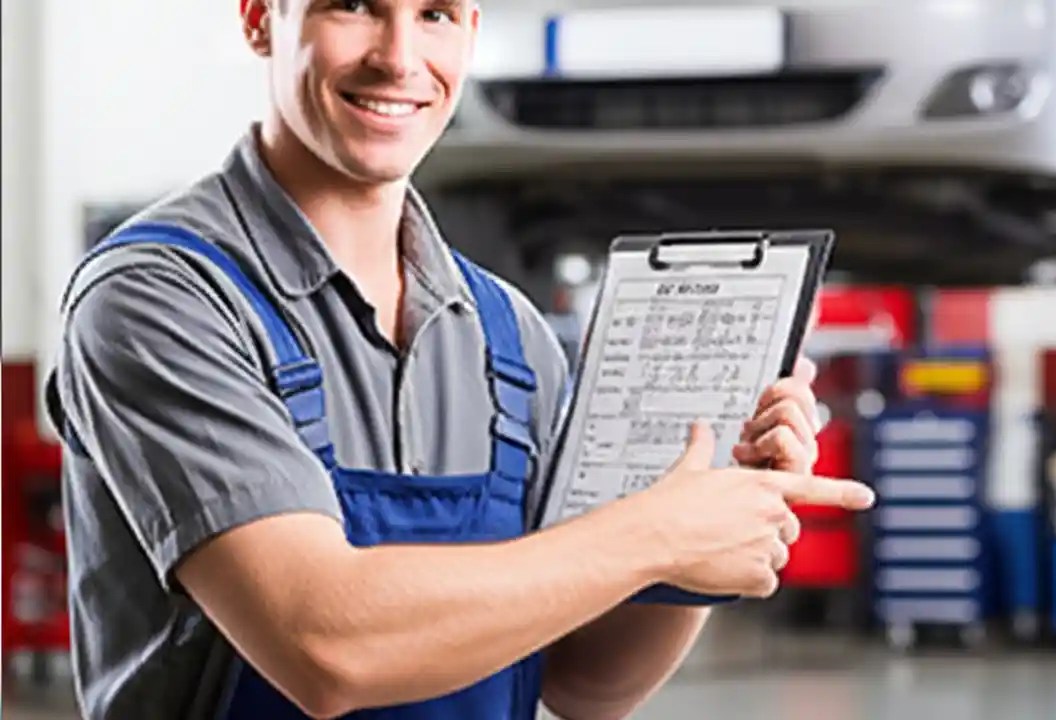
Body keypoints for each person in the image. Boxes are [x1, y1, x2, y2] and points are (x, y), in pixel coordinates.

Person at [44, 1, 876, 718]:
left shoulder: (506, 334)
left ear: (470, 34)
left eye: (435, 13)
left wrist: (711, 523)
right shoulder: (158, 298)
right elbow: (322, 644)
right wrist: (657, 531)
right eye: (354, 6)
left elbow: (586, 682)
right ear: (262, 18)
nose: (399, 57)